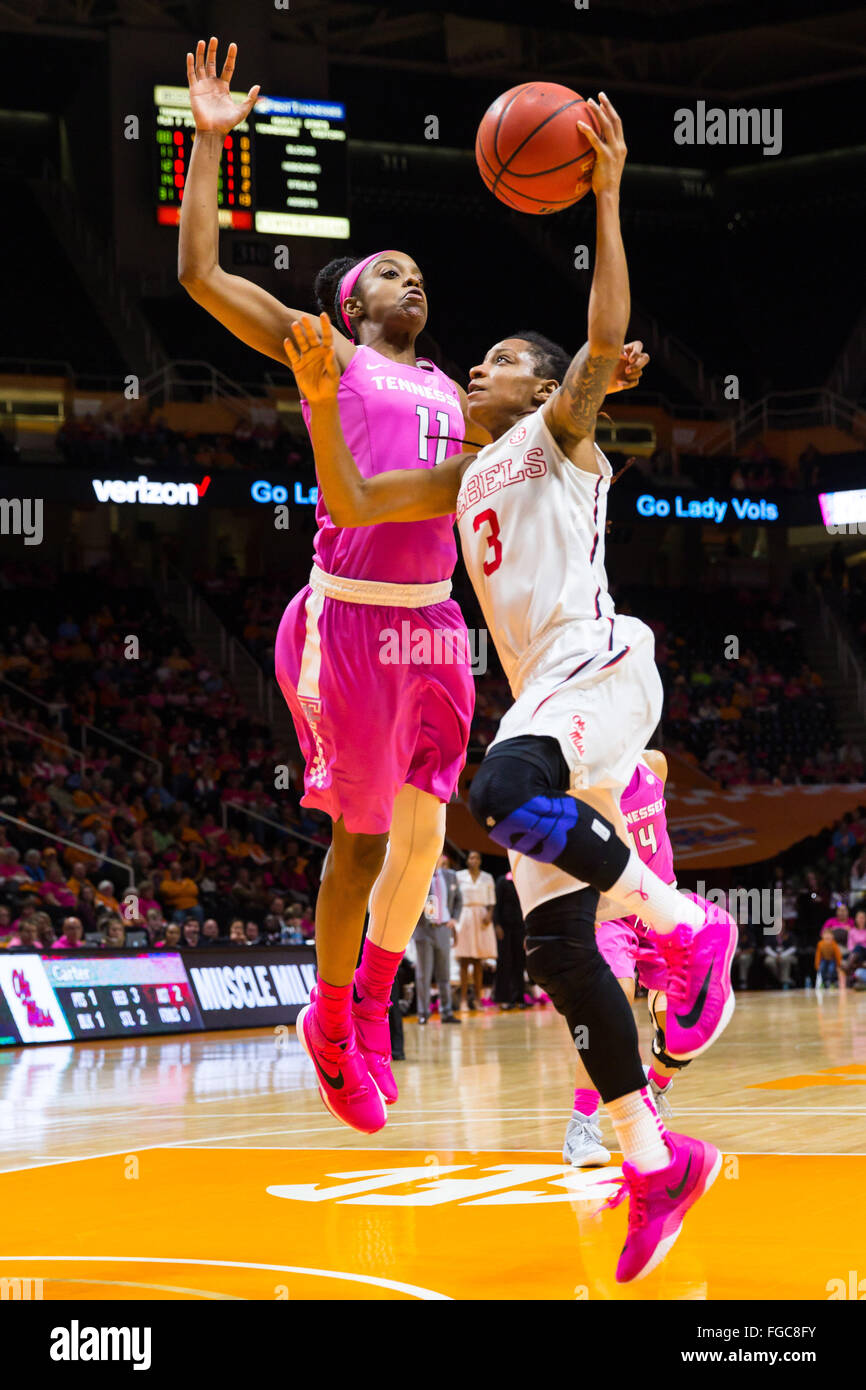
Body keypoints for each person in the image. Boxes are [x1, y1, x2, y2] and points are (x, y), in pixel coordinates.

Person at [283, 93, 735, 1283]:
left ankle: (687, 930)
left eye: (493, 363)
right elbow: (358, 505)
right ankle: (648, 1158)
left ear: (535, 393)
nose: (468, 368)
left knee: (496, 786)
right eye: (472, 362)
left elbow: (598, 335)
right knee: (554, 951)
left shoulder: (554, 437)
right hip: (550, 704)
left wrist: (603, 193)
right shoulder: (464, 473)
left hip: (596, 669)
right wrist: (322, 405)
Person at [180, 38, 647, 1139]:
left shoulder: (459, 387)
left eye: (414, 269)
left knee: (427, 838)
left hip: (436, 627)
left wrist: (607, 368)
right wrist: (206, 143)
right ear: (347, 306)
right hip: (346, 619)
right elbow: (200, 278)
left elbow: (560, 403)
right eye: (384, 268)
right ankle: (330, 1019)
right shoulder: (328, 357)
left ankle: (376, 1000)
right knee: (355, 840)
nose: (408, 277)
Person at [563, 751, 692, 1166]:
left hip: (659, 906)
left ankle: (654, 1087)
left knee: (692, 1013)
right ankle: (581, 1126)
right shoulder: (582, 782)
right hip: (610, 912)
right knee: (608, 1010)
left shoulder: (655, 764)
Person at [412, 851, 462, 1025]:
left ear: (443, 858)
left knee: (444, 974)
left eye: (439, 855)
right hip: (424, 929)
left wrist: (454, 919)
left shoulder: (450, 876)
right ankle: (423, 1013)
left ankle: (446, 1012)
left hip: (443, 928)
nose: (436, 857)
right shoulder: (419, 876)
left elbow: (458, 900)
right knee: (423, 975)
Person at [454, 850, 497, 1011]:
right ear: (467, 861)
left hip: (481, 916)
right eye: (471, 857)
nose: (474, 860)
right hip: (464, 915)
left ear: (480, 861)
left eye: (477, 857)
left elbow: (492, 900)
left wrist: (490, 915)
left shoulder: (487, 877)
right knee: (464, 960)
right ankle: (463, 1000)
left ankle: (478, 1000)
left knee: (479, 961)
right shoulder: (459, 876)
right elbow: (455, 898)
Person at [493, 870, 527, 1010]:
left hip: (520, 927)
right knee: (505, 962)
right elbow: (497, 904)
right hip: (504, 928)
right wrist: (497, 925)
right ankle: (504, 999)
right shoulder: (502, 881)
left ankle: (519, 997)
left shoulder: (523, 880)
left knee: (520, 962)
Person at [763, 924, 798, 989]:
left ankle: (784, 982)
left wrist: (782, 955)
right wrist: (776, 955)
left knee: (784, 959)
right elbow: (766, 948)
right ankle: (785, 979)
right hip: (774, 955)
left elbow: (794, 948)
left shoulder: (790, 935)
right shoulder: (771, 935)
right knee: (768, 961)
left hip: (787, 955)